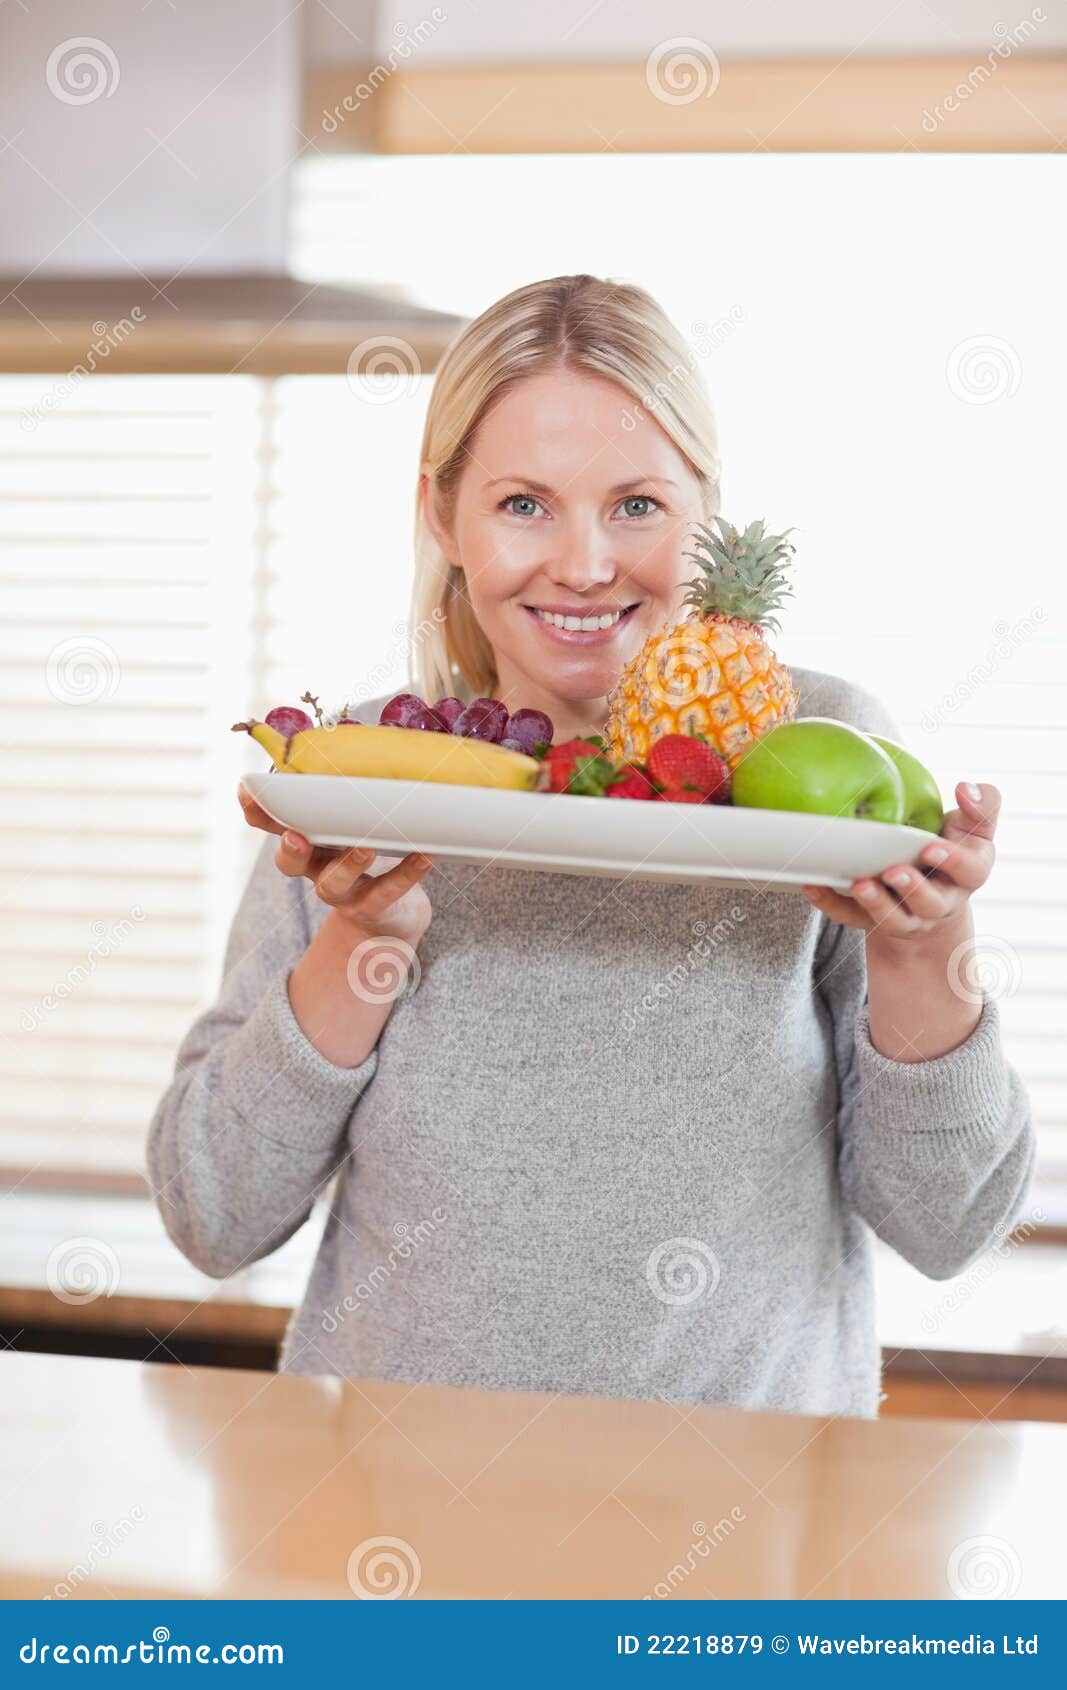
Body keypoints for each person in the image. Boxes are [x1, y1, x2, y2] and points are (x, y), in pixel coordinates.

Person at [147, 274, 1034, 1418]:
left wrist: (923, 953)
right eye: (522, 503)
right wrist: (361, 941)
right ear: (441, 515)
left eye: (635, 506)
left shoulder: (814, 764)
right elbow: (211, 1215)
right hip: (389, 1551)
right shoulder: (364, 779)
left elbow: (949, 1223)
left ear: (703, 516)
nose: (581, 564)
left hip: (738, 1555)